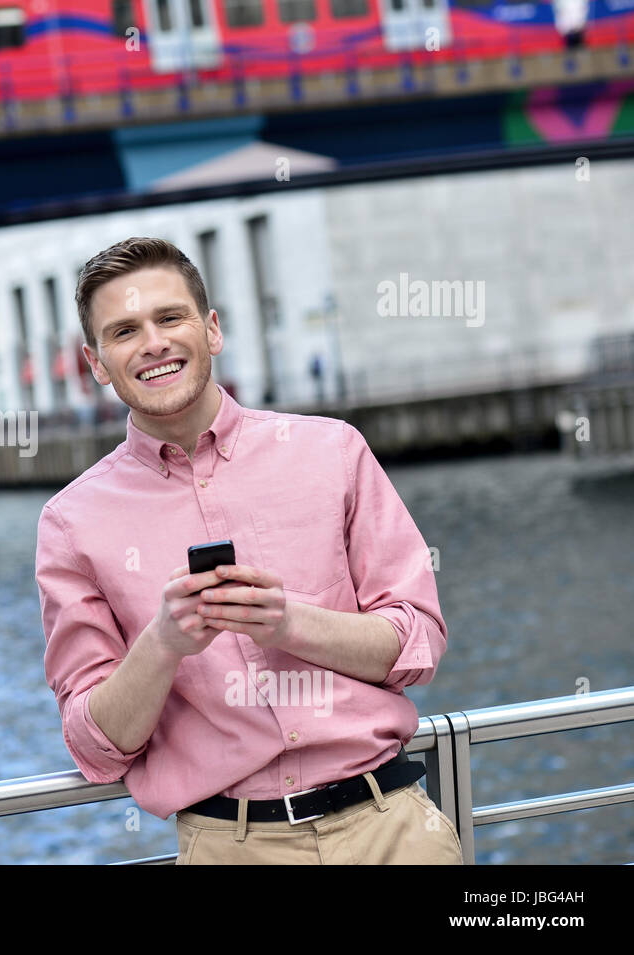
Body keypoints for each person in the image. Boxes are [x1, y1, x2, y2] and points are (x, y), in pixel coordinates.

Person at [33, 237, 463, 864]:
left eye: (170, 317)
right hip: (231, 848)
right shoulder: (70, 523)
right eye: (124, 331)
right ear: (96, 363)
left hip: (390, 832)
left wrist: (290, 624)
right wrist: (162, 643)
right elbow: (96, 746)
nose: (153, 342)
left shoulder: (332, 452)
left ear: (212, 330)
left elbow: (418, 641)